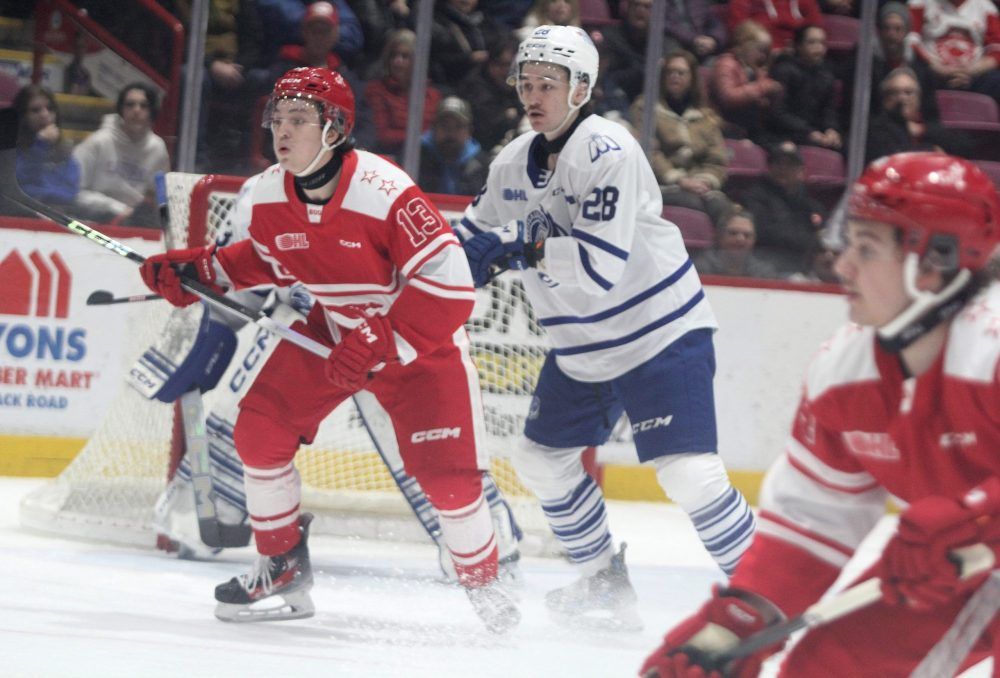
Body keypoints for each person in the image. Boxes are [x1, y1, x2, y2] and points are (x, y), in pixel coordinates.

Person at [137, 66, 519, 633]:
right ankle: (281, 566)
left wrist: (382, 337)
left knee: (449, 483)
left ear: (336, 128)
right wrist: (197, 270)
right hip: (333, 332)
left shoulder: (385, 190)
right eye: (277, 119)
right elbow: (264, 259)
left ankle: (489, 592)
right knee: (259, 430)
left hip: (416, 344)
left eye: (299, 120)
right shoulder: (268, 193)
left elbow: (452, 288)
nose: (282, 132)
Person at [640, 152, 1000, 677]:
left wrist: (983, 516)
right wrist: (739, 622)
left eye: (867, 248)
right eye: (848, 242)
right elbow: (812, 522)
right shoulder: (843, 375)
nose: (842, 264)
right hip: (966, 561)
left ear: (934, 260)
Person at [456, 26, 757, 630]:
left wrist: (517, 243)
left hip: (657, 334)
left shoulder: (607, 151)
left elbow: (597, 267)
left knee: (689, 476)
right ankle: (602, 584)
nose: (534, 94)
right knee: (541, 459)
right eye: (527, 82)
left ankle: (767, 594)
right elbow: (468, 242)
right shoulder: (511, 162)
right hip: (580, 347)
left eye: (550, 83)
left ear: (584, 88)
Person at [630, 49, 731, 226]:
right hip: (661, 186)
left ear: (692, 78)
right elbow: (649, 152)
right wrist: (679, 179)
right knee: (693, 203)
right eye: (670, 72)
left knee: (724, 209)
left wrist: (703, 180)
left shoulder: (706, 116)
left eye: (681, 72)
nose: (674, 76)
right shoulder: (645, 108)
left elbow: (717, 159)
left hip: (701, 186)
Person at [73, 82, 170, 227]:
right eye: (130, 105)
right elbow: (75, 192)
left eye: (144, 106)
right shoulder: (98, 141)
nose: (136, 110)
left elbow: (160, 199)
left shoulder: (157, 148)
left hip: (138, 222)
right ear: (121, 110)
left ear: (152, 111)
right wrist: (117, 209)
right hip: (95, 218)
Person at [743, 141, 826, 276]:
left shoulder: (812, 205)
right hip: (768, 264)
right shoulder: (755, 197)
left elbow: (823, 236)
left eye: (790, 165)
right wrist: (808, 239)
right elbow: (764, 232)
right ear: (769, 168)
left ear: (801, 171)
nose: (783, 169)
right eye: (778, 164)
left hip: (805, 266)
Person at [364, 29, 442, 159]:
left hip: (430, 158)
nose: (397, 61)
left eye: (405, 56)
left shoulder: (433, 95)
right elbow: (383, 134)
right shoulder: (376, 91)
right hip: (392, 157)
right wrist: (423, 137)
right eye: (393, 56)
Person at [865, 67, 971, 163]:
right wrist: (932, 150)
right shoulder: (875, 128)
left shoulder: (929, 121)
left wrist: (922, 130)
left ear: (919, 98)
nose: (902, 98)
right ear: (884, 100)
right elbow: (891, 156)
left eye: (908, 92)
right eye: (894, 92)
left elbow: (963, 146)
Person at [766, 24, 842, 151]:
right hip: (782, 133)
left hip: (812, 133)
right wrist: (808, 131)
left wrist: (831, 129)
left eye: (822, 43)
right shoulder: (783, 71)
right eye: (812, 43)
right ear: (798, 45)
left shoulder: (827, 76)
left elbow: (829, 111)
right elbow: (777, 113)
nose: (818, 48)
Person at [708, 20, 783, 143]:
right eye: (759, 50)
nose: (763, 57)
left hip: (751, 128)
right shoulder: (726, 63)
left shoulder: (755, 70)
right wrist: (763, 88)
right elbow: (728, 97)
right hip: (726, 126)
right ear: (745, 45)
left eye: (765, 52)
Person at [10, 84, 80, 214]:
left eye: (50, 108)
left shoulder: (63, 149)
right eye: (35, 110)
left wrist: (51, 198)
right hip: (21, 213)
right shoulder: (9, 149)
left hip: (59, 212)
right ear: (22, 116)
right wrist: (40, 146)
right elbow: (18, 185)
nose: (45, 114)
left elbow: (71, 191)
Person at [418, 96, 490, 196]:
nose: (450, 133)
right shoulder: (416, 158)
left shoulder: (482, 165)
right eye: (444, 126)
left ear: (469, 131)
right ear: (433, 128)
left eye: (458, 126)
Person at [693, 205, 780, 279]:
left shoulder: (764, 273)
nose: (740, 239)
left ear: (754, 240)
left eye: (747, 235)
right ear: (719, 236)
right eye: (733, 233)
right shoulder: (700, 269)